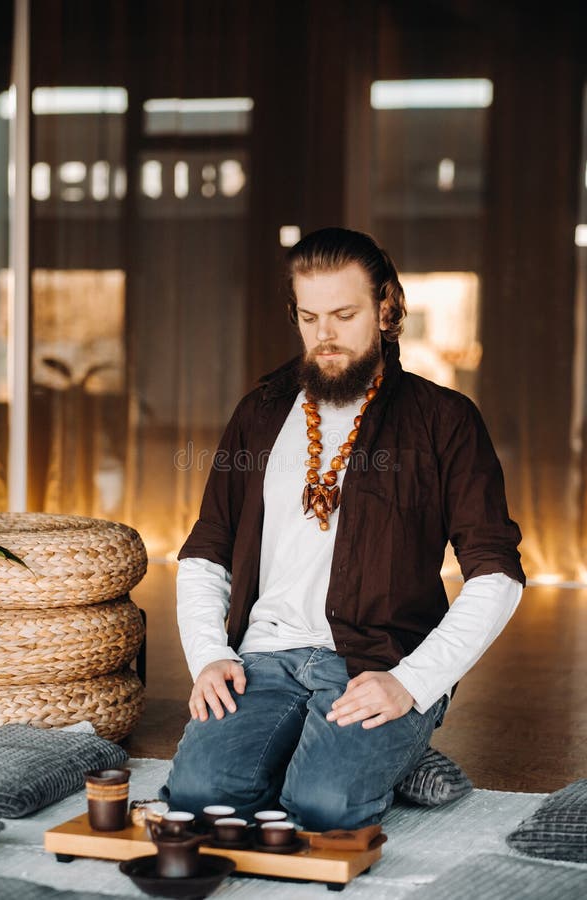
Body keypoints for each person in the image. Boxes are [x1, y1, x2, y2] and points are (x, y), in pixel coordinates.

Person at [160, 227, 525, 831]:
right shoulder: (259, 414)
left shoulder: (445, 420)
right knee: (198, 799)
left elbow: (497, 575)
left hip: (377, 662)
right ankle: (357, 754)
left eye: (344, 314)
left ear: (386, 308)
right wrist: (208, 654)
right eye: (309, 317)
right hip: (264, 658)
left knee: (322, 809)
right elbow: (207, 549)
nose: (324, 336)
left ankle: (388, 742)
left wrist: (412, 683)